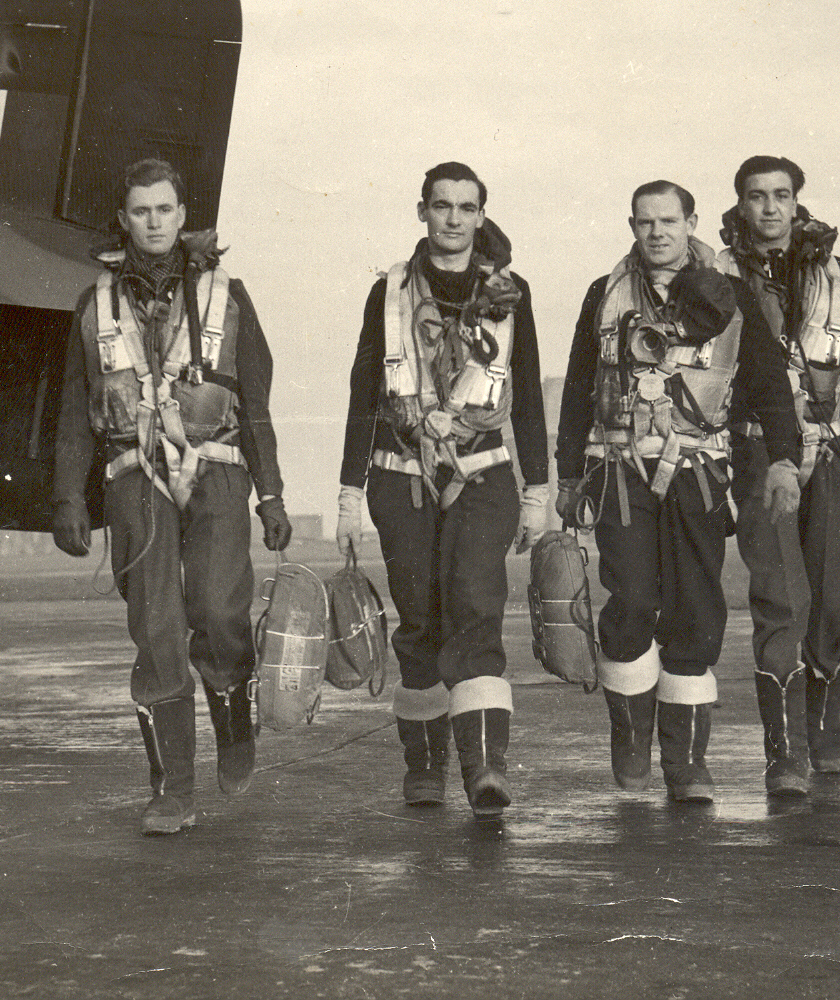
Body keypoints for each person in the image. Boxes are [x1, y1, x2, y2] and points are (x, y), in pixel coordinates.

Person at [52, 158, 290, 836]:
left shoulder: (228, 292)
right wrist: (69, 496)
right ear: (122, 219)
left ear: (183, 215)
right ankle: (173, 789)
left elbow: (258, 402)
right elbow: (74, 409)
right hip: (134, 479)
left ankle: (233, 713)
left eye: (165, 209)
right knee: (156, 633)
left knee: (218, 610)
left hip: (216, 471)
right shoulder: (92, 302)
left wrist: (270, 493)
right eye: (140, 211)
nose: (153, 222)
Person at [555, 180, 800, 803]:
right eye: (645, 222)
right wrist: (564, 476)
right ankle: (631, 738)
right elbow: (579, 383)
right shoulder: (603, 295)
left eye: (670, 220)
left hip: (699, 472)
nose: (657, 232)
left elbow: (771, 385)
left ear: (692, 222)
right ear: (631, 226)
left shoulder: (734, 295)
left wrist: (784, 461)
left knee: (696, 607)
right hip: (617, 471)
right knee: (632, 598)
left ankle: (686, 761)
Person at [336, 162, 547, 817]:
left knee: (476, 610)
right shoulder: (390, 293)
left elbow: (529, 396)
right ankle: (423, 765)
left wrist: (538, 489)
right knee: (421, 622)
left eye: (466, 207)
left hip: (483, 476)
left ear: (482, 216)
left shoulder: (512, 293)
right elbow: (363, 389)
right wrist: (348, 491)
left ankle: (485, 767)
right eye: (442, 206)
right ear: (422, 211)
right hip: (401, 479)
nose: (454, 218)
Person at [715, 156, 840, 795]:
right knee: (779, 603)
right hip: (759, 462)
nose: (770, 208)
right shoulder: (713, 278)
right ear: (740, 205)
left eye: (781, 195)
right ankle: (785, 753)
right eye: (756, 196)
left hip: (836, 457)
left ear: (798, 201)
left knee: (830, 603)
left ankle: (825, 731)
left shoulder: (837, 274)